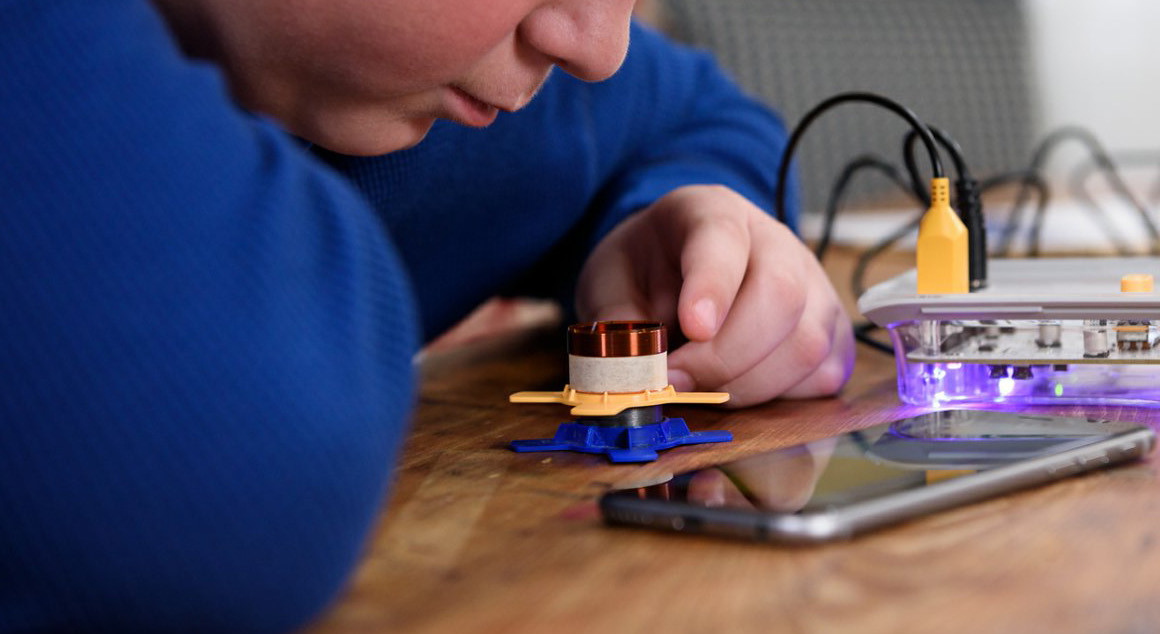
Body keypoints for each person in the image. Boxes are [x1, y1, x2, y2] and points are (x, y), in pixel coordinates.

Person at [0, 0, 854, 631]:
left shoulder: (431, 79)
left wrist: (672, 215)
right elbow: (230, 473)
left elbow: (699, 111)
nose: (598, 46)